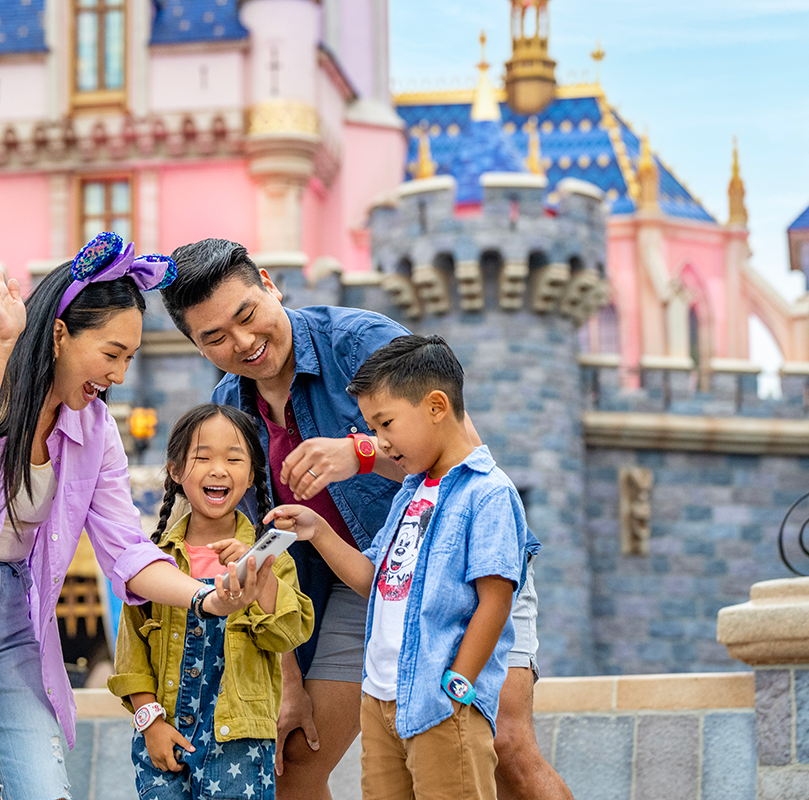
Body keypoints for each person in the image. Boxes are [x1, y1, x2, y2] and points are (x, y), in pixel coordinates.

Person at [0, 233, 271, 800]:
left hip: (14, 624)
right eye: (111, 354)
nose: (119, 376)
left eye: (130, 359)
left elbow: (126, 550)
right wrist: (1, 344)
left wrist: (203, 596)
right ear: (61, 334)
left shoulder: (94, 429)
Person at [159, 239, 570, 800]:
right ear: (197, 347)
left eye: (247, 315)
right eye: (215, 338)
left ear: (268, 283)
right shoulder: (231, 408)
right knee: (297, 765)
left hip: (461, 565)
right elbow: (259, 552)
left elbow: (466, 447)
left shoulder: (359, 342)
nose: (244, 342)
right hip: (358, 585)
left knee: (506, 749)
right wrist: (288, 683)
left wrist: (359, 452)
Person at [267, 334, 535, 800]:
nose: (380, 442)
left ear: (436, 406)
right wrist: (318, 530)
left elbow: (496, 601)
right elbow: (375, 581)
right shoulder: (410, 492)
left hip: (441, 704)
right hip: (381, 701)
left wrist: (457, 687)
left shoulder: (488, 493)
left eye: (385, 423)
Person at [108, 404, 315, 800]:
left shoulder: (270, 557)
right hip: (163, 736)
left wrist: (260, 572)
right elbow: (131, 655)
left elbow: (287, 632)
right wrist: (149, 721)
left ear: (251, 474)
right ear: (174, 470)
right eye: (202, 457)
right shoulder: (153, 561)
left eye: (234, 459)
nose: (218, 469)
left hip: (239, 742)